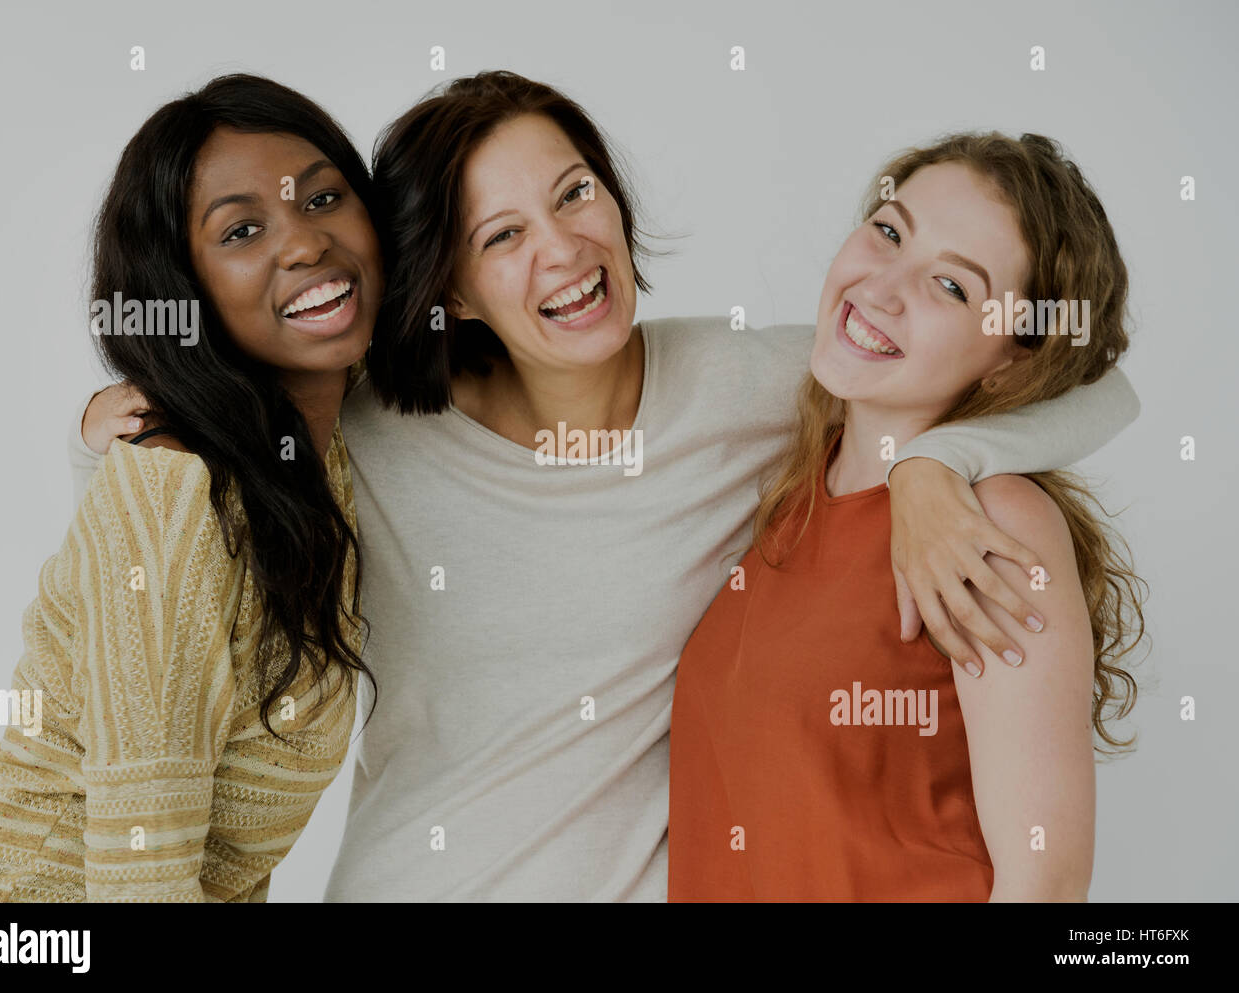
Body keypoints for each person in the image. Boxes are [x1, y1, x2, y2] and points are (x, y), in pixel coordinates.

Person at [73, 72, 1140, 901]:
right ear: (450, 284)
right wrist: (98, 429)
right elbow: (186, 450)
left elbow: (1094, 383)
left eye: (574, 191)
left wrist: (942, 465)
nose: (564, 248)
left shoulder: (763, 385)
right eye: (501, 235)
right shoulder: (369, 428)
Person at [668, 133, 1145, 902]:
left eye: (952, 287)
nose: (883, 288)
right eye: (889, 231)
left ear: (1014, 357)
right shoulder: (790, 492)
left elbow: (1046, 881)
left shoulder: (999, 519)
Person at [0, 75, 381, 902]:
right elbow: (142, 859)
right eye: (242, 229)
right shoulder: (175, 490)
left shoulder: (333, 453)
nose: (304, 244)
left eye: (324, 199)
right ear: (185, 290)